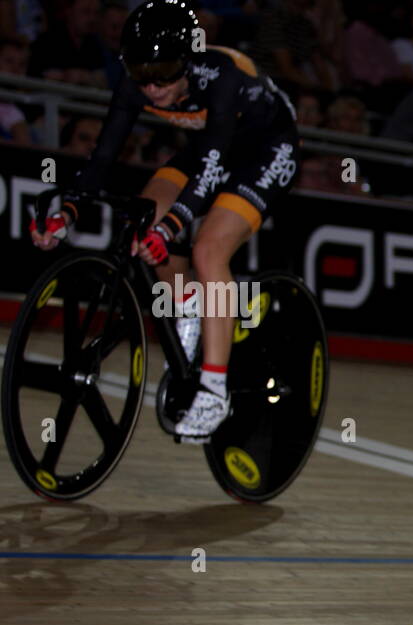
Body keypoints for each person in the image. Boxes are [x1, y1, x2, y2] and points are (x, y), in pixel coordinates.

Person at [29, 0, 300, 442]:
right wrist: (67, 213)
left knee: (207, 250)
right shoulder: (136, 83)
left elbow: (210, 171)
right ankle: (188, 304)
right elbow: (101, 159)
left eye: (164, 72)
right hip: (210, 147)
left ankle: (213, 390)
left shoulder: (222, 77)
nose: (152, 87)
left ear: (187, 62)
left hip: (265, 151)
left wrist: (171, 228)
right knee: (145, 216)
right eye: (141, 73)